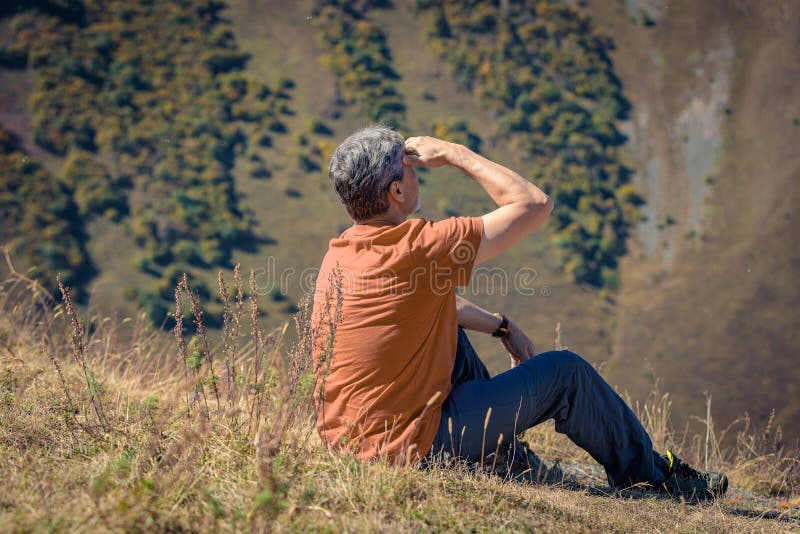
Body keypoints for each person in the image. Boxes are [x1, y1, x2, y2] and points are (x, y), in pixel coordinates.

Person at [310, 124, 728, 499]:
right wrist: (454, 152)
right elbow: (533, 204)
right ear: (396, 191)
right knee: (567, 374)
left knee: (445, 330)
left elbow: (428, 306)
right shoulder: (421, 248)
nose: (418, 174)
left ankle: (501, 456)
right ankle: (651, 477)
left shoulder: (341, 254)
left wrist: (501, 326)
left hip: (350, 442)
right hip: (409, 448)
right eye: (410, 168)